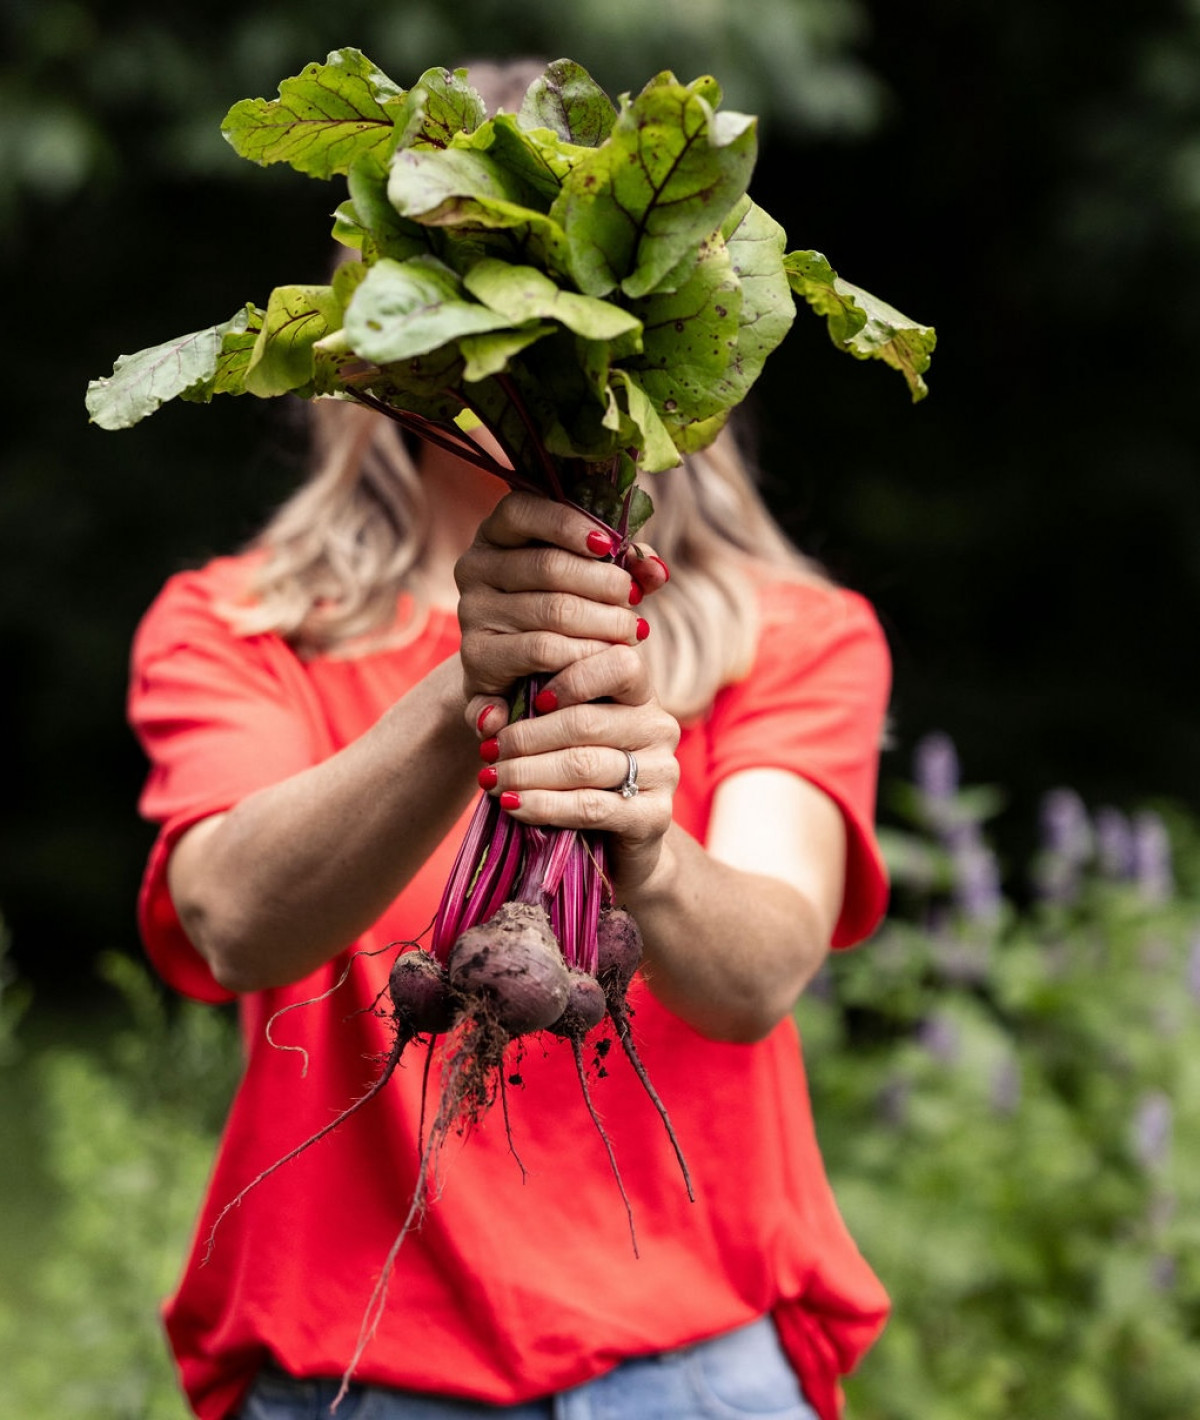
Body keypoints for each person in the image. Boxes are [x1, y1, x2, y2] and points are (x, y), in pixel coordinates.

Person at [127, 66, 893, 1420]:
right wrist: (454, 698)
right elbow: (232, 921)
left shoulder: (795, 633)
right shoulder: (242, 626)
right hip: (356, 1372)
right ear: (385, 327)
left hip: (694, 1374)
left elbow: (764, 967)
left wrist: (646, 845)